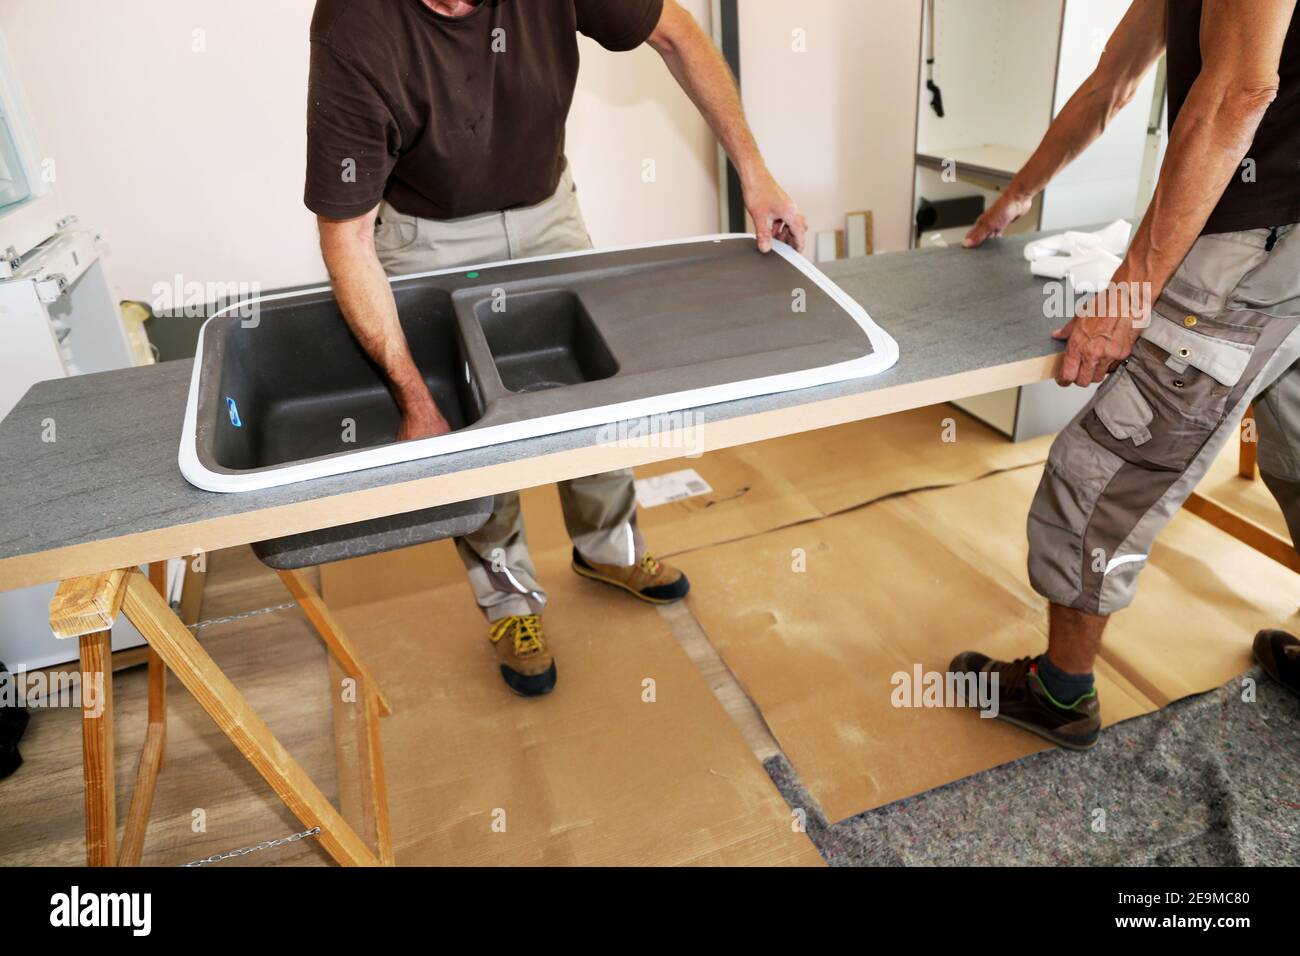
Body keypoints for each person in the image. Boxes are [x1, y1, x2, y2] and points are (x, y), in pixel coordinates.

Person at [304, 0, 807, 697]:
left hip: (547, 214)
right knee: (471, 428)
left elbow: (677, 33)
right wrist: (413, 398)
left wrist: (753, 168)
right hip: (427, 236)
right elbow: (347, 238)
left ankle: (610, 549)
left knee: (595, 392)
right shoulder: (355, 25)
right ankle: (510, 598)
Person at [956, 0, 1300, 748]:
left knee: (1103, 469)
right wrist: (1018, 192)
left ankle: (1059, 692)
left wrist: (1135, 284)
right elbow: (1110, 82)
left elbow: (1243, 88)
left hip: (1261, 237)